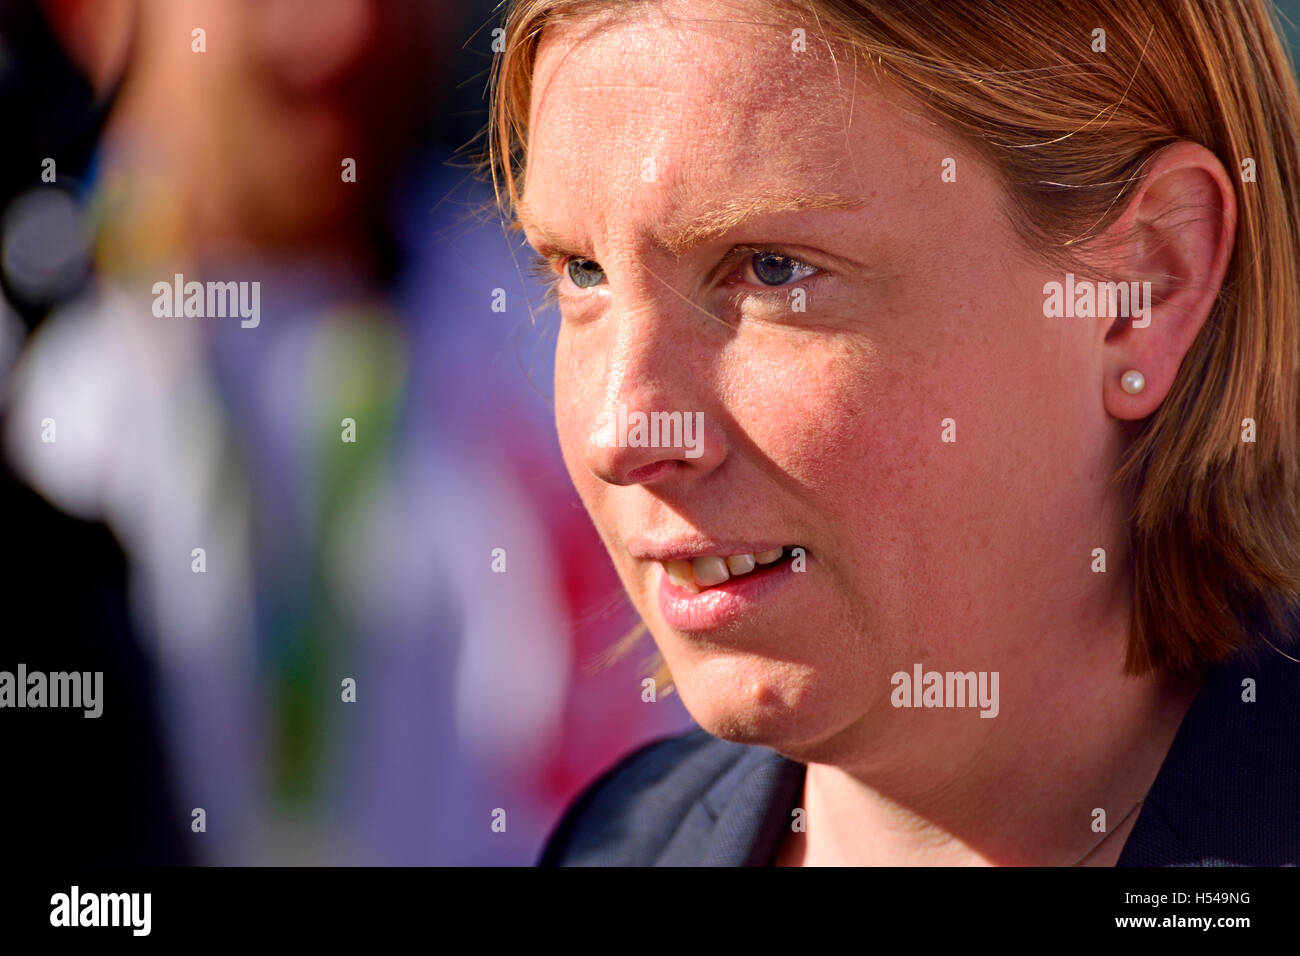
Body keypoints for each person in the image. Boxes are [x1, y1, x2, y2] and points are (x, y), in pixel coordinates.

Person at [485, 0, 1300, 865]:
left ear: (1143, 287)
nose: (623, 430)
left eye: (773, 271)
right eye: (583, 272)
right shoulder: (621, 843)